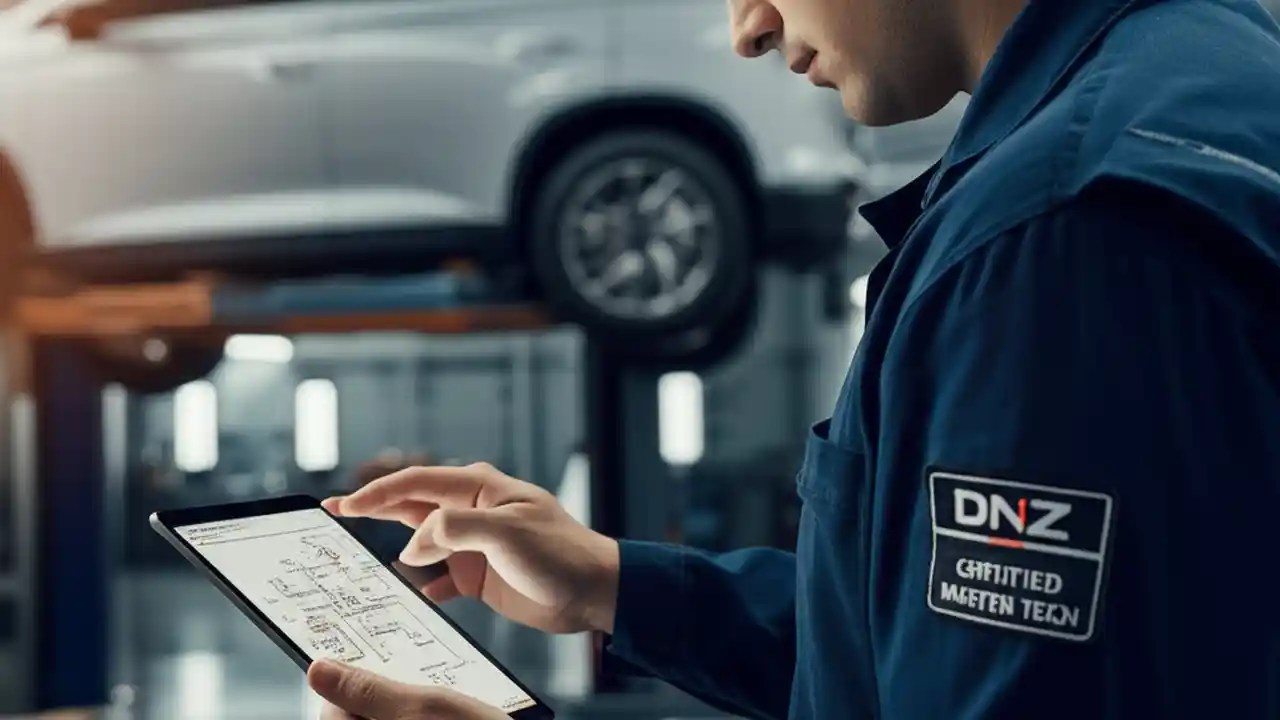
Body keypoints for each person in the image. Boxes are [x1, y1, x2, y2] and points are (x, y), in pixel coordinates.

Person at [307, 0, 1280, 717]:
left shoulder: (1062, 241)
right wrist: (620, 585)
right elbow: (930, 660)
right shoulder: (1210, 72)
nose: (747, 26)